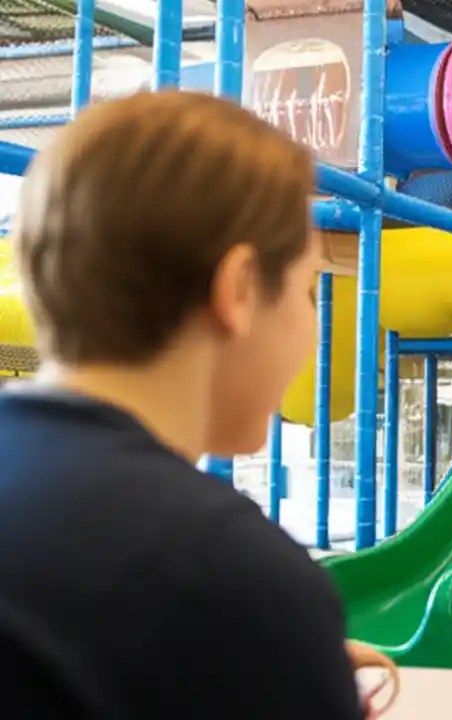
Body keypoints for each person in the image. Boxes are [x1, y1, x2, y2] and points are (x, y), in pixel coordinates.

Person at [0, 91, 391, 718]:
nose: (311, 332)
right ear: (237, 289)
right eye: (309, 290)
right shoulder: (229, 577)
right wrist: (274, 644)